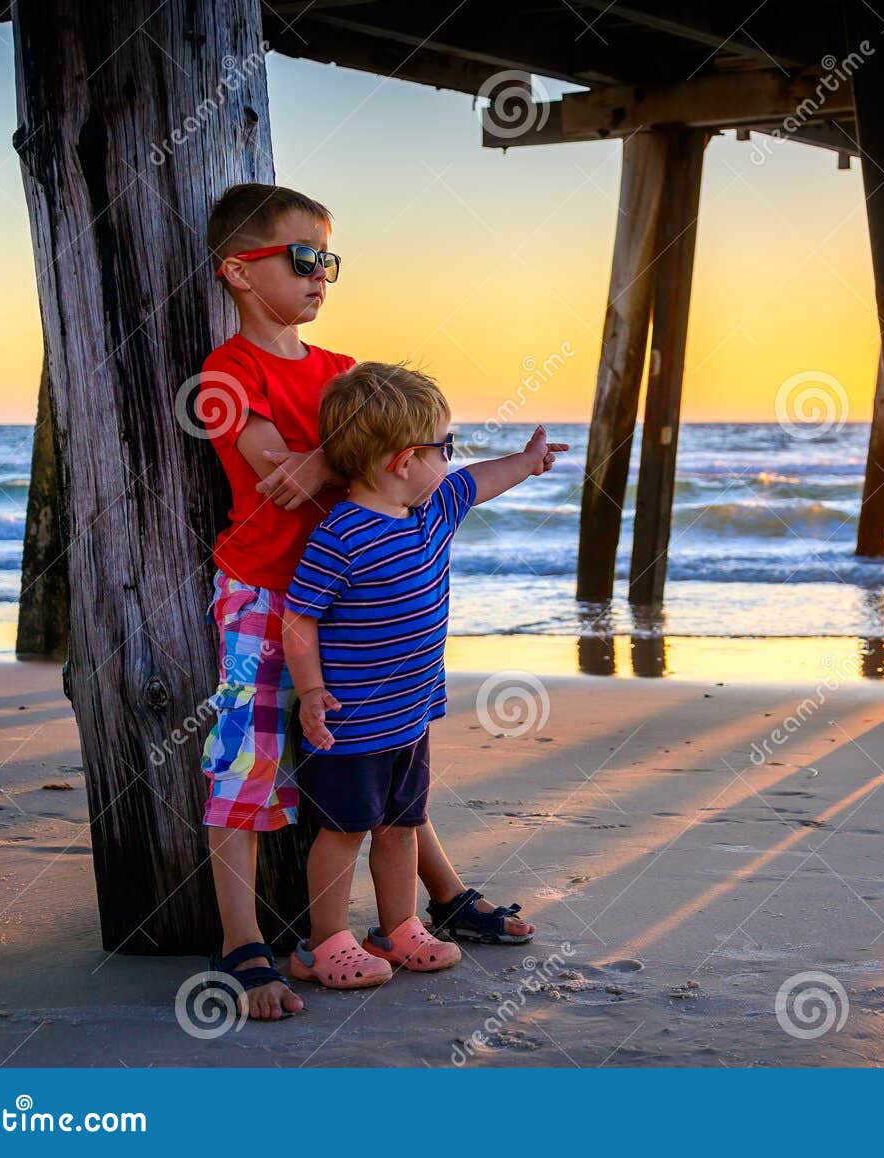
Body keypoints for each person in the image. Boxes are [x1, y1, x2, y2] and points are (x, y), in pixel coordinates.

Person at [198, 184, 535, 1017]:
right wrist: (323, 457)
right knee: (247, 761)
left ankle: (440, 896)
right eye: (303, 258)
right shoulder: (227, 371)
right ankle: (243, 940)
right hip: (266, 595)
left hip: (351, 606)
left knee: (381, 752)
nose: (321, 276)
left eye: (329, 262)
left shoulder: (342, 372)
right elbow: (280, 474)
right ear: (239, 273)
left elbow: (398, 453)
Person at [281, 362, 568, 986]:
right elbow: (298, 617)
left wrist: (528, 461)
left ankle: (399, 927)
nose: (451, 459)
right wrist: (309, 691)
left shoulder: (433, 510)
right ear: (404, 460)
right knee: (344, 829)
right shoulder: (341, 537)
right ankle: (323, 942)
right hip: (349, 723)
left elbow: (478, 481)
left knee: (402, 824)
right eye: (445, 446)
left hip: (411, 716)